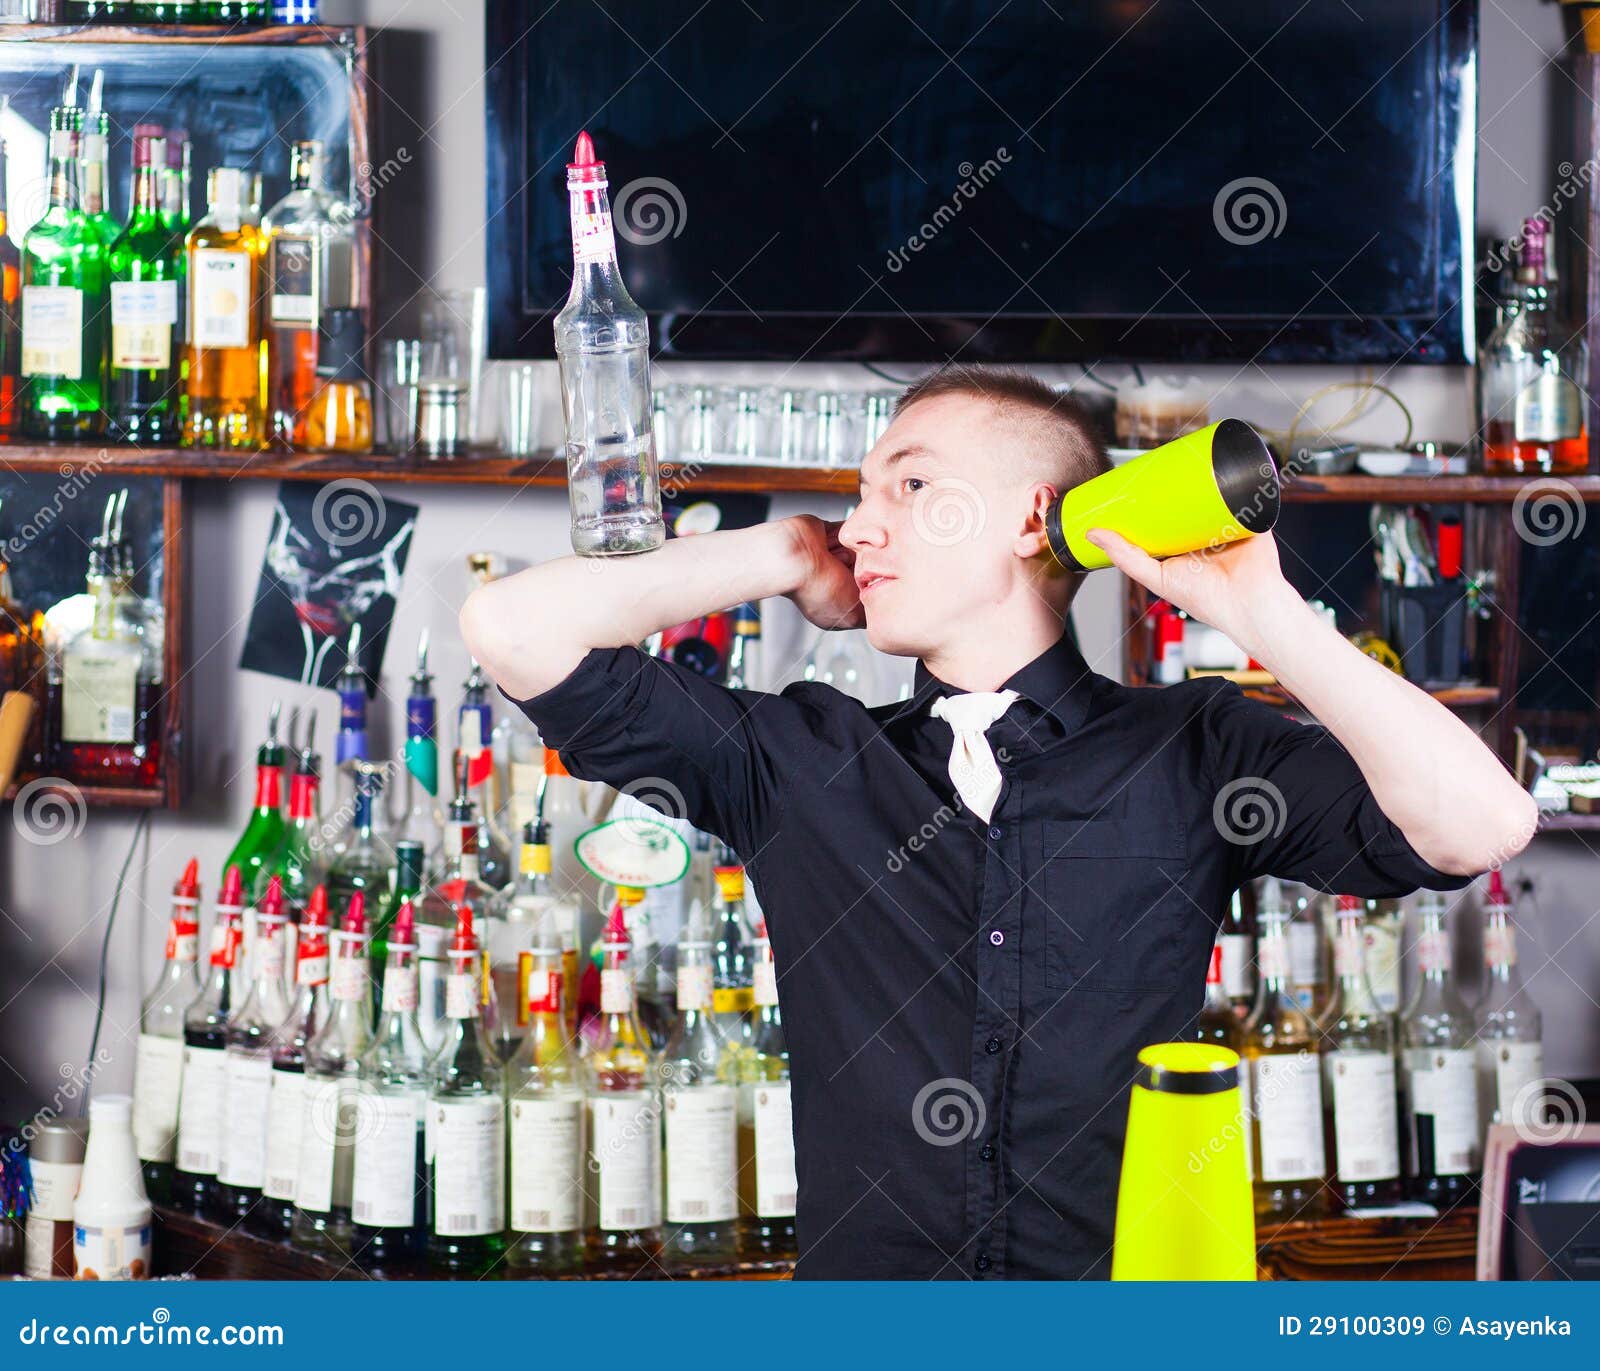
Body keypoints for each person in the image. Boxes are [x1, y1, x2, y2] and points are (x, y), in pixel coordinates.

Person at [460, 365, 1535, 1280]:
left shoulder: (1196, 746)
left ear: (1034, 518)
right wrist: (783, 552)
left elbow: (1478, 825)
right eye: (856, 494)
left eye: (912, 484)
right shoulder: (794, 760)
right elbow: (508, 626)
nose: (862, 523)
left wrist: (1263, 614)